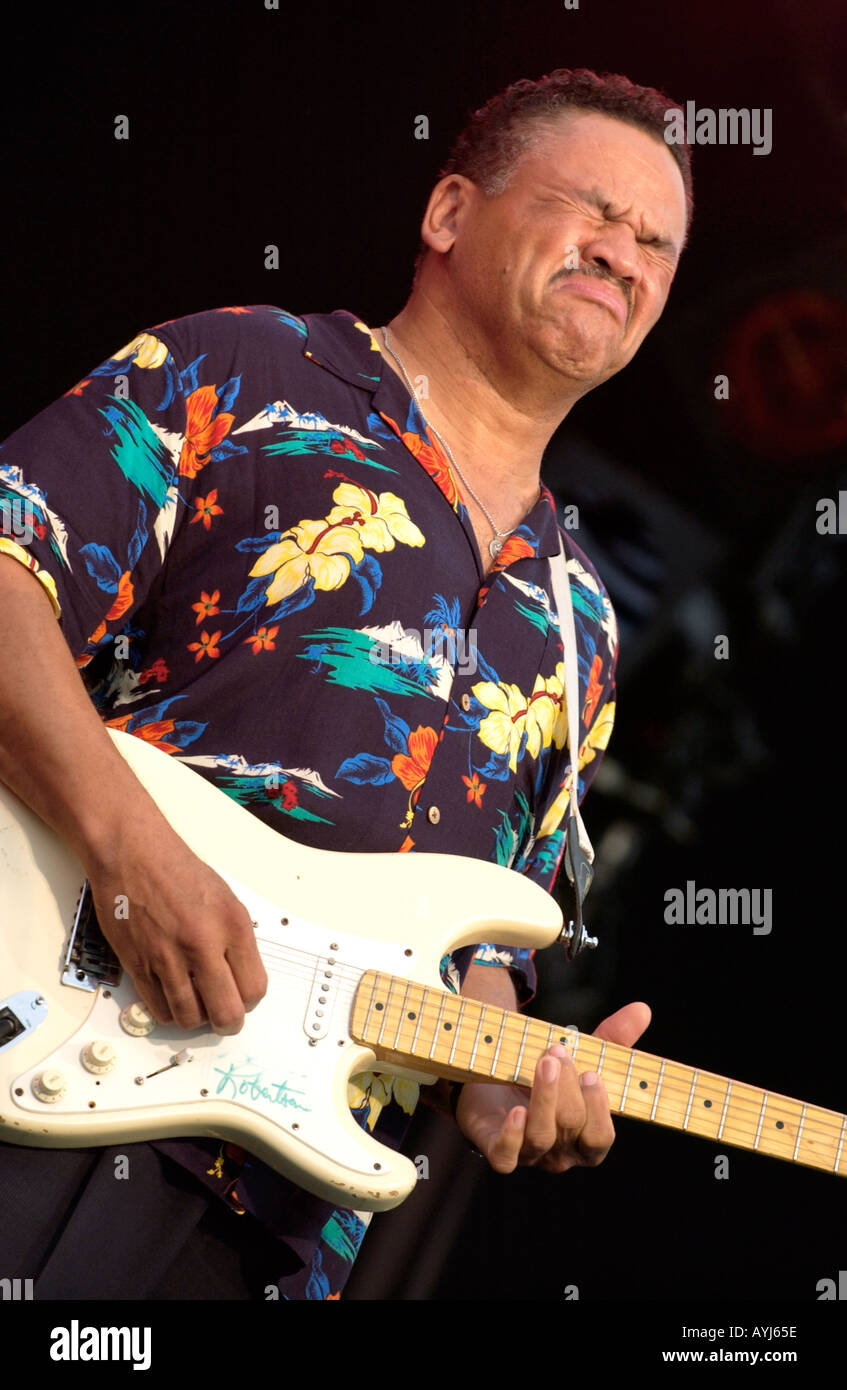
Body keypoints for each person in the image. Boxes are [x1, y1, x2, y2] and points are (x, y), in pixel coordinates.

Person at [0, 67, 689, 1299]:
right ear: (447, 214)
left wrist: (503, 1075)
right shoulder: (243, 370)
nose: (624, 253)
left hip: (283, 1219)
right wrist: (132, 854)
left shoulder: (582, 621)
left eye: (656, 243)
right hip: (48, 1076)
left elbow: (486, 938)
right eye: (590, 207)